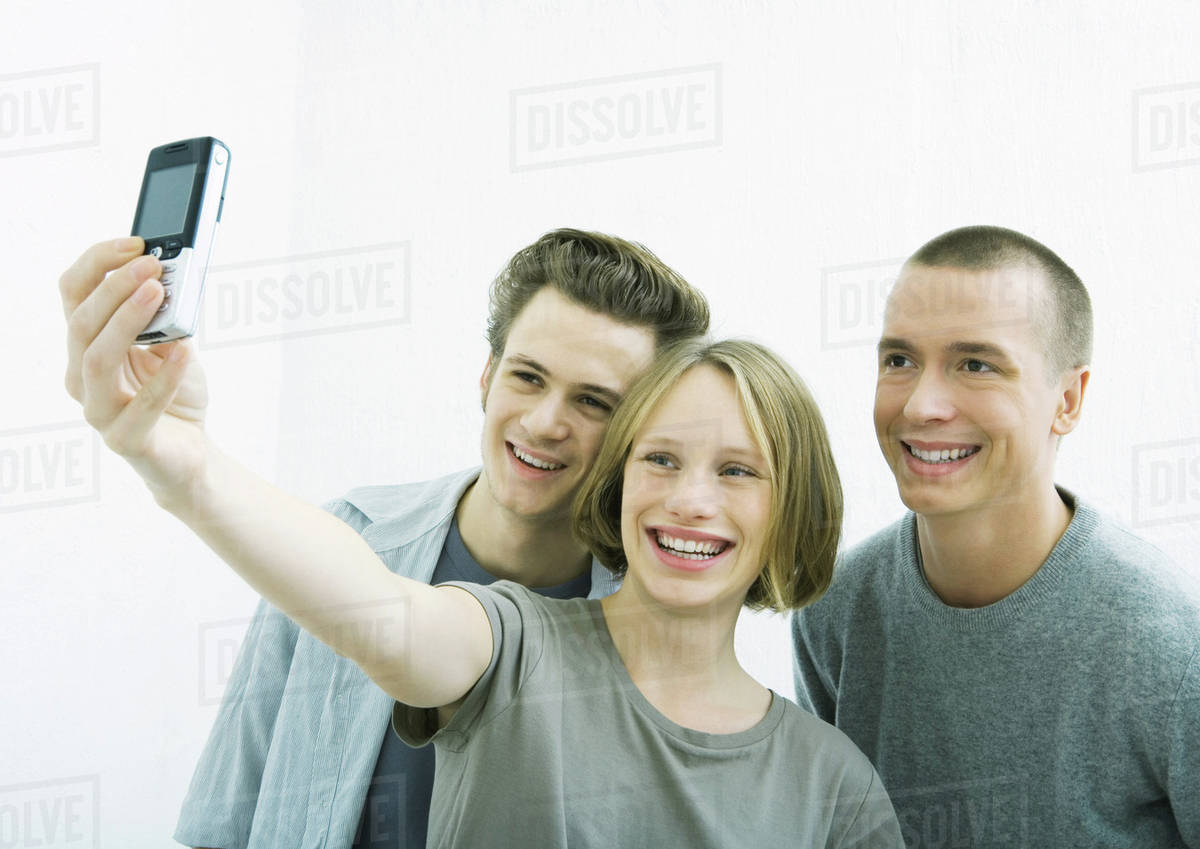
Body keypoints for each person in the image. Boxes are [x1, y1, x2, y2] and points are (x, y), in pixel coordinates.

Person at [58, 228, 710, 848]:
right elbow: (225, 819)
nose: (544, 423)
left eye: (594, 401)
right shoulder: (340, 539)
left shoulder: (657, 629)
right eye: (528, 376)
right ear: (487, 375)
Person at [792, 225, 1200, 848]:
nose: (923, 405)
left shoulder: (1171, 644)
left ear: (1067, 399)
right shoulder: (835, 611)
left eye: (975, 364)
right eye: (899, 360)